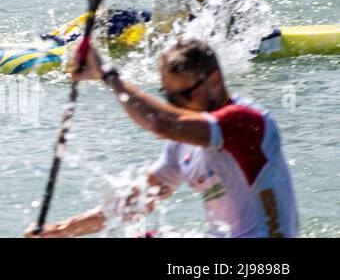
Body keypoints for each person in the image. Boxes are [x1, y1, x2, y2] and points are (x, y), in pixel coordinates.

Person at [29, 38, 297, 238]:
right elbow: (136, 202)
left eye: (183, 95)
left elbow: (161, 122)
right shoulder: (182, 144)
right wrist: (60, 231)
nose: (175, 105)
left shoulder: (246, 122)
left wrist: (108, 75)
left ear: (214, 82)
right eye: (168, 97)